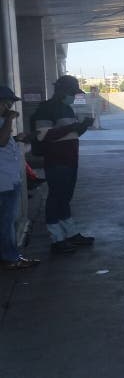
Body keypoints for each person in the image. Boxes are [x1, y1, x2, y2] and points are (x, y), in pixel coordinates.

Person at [32, 75, 95, 253]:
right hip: (56, 161)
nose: (73, 96)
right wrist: (72, 127)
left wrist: (82, 127)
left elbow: (71, 135)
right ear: (61, 91)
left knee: (65, 198)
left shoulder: (67, 109)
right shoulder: (45, 109)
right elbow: (42, 135)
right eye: (71, 93)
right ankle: (56, 239)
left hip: (70, 160)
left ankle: (70, 233)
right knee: (55, 198)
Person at [0, 85, 40, 269]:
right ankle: (10, 258)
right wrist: (9, 119)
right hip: (4, 182)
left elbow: (5, 142)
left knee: (7, 220)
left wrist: (17, 139)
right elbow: (1, 142)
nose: (8, 107)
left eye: (9, 104)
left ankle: (9, 255)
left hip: (10, 178)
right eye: (5, 103)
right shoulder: (5, 119)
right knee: (7, 222)